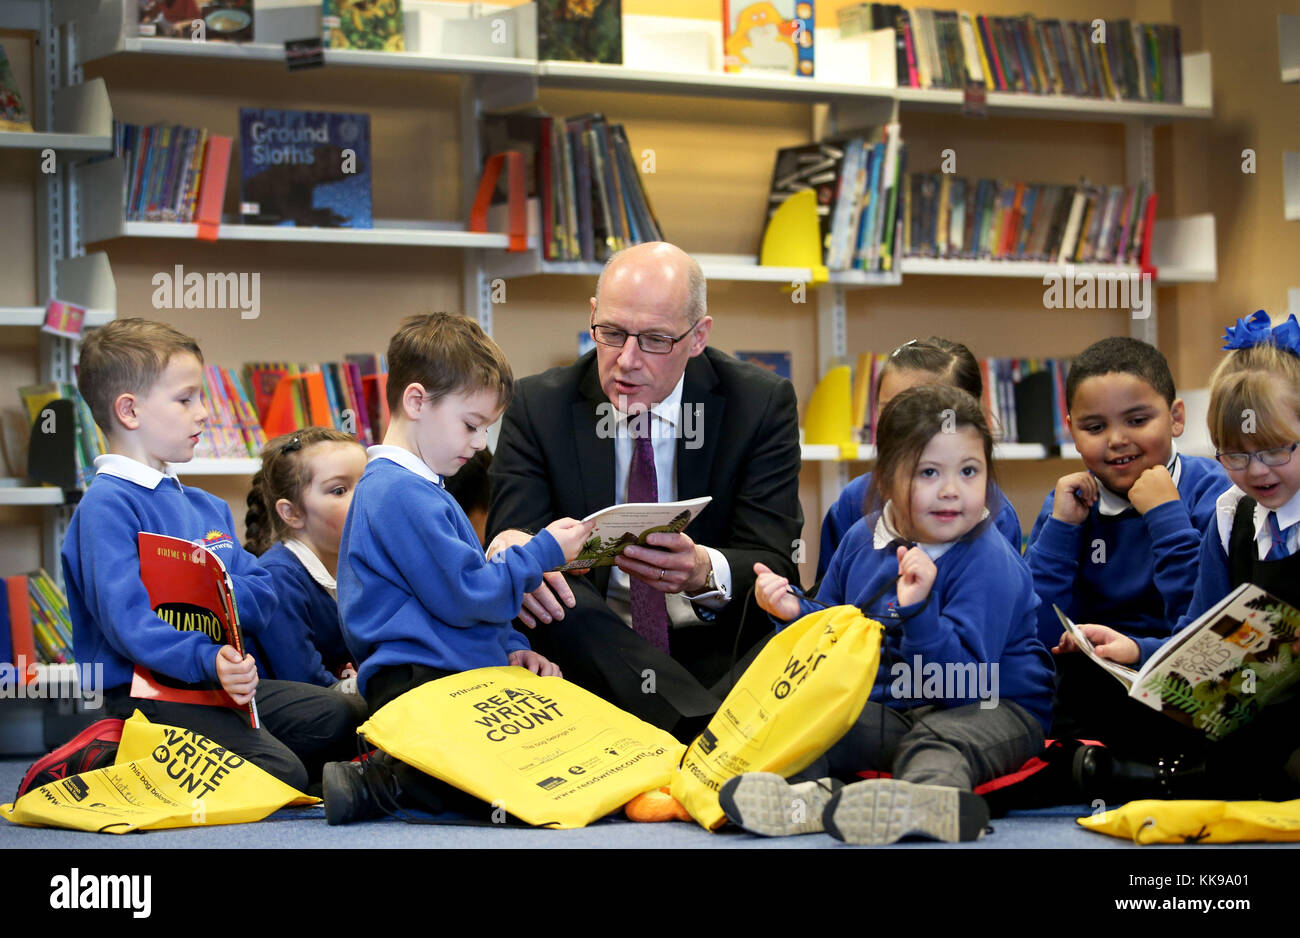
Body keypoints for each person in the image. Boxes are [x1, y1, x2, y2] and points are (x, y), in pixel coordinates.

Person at [487, 242, 804, 739]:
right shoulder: (538, 405)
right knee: (546, 590)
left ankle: (673, 730)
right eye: (611, 334)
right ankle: (703, 736)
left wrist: (702, 570)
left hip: (710, 642)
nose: (626, 361)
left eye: (655, 340)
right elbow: (515, 532)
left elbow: (776, 559)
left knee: (792, 624)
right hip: (590, 642)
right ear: (592, 316)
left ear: (698, 337)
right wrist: (509, 544)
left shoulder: (758, 404)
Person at [719, 385, 1053, 844]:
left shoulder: (987, 558)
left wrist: (918, 612)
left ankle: (928, 802)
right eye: (929, 472)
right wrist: (796, 610)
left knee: (937, 740)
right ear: (886, 479)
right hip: (897, 705)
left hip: (995, 707)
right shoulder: (863, 537)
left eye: (970, 471)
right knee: (816, 723)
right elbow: (839, 629)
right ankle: (808, 799)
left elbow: (965, 686)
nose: (952, 490)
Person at [60, 318, 356, 792]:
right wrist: (205, 655)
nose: (204, 413)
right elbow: (129, 624)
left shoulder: (205, 506)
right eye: (185, 399)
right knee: (284, 774)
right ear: (129, 411)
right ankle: (112, 758)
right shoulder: (107, 506)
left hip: (220, 685)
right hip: (148, 698)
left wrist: (213, 595)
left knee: (347, 714)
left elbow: (263, 594)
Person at [324, 313, 593, 825]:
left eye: (485, 429)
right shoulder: (399, 492)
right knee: (503, 796)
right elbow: (469, 593)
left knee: (554, 766)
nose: (479, 444)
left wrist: (511, 646)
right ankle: (384, 781)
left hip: (449, 672)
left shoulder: (422, 489)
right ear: (417, 402)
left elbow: (457, 599)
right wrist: (541, 552)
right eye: (471, 425)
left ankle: (404, 773)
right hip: (418, 680)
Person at [1065, 312, 1300, 798]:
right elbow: (1198, 640)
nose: (1256, 471)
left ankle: (1170, 779)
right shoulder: (1231, 515)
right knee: (1107, 693)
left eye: (1275, 451)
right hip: (1246, 704)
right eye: (1234, 454)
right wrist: (1139, 651)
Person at [1024, 336, 1229, 755]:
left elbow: (1210, 639)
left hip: (1181, 683)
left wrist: (1166, 516)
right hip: (1094, 687)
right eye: (1095, 427)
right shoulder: (1068, 504)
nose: (1117, 440)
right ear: (1072, 432)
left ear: (1175, 418)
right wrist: (1063, 528)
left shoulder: (1213, 493)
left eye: (1137, 420)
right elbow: (1038, 634)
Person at [817, 336, 1022, 583]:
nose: (902, 428)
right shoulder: (855, 500)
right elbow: (826, 604)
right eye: (889, 410)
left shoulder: (994, 513)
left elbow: (992, 610)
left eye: (923, 414)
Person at [244, 428, 366, 692]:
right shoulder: (278, 577)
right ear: (292, 512)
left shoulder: (359, 567)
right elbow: (303, 681)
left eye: (366, 483)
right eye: (339, 490)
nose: (363, 498)